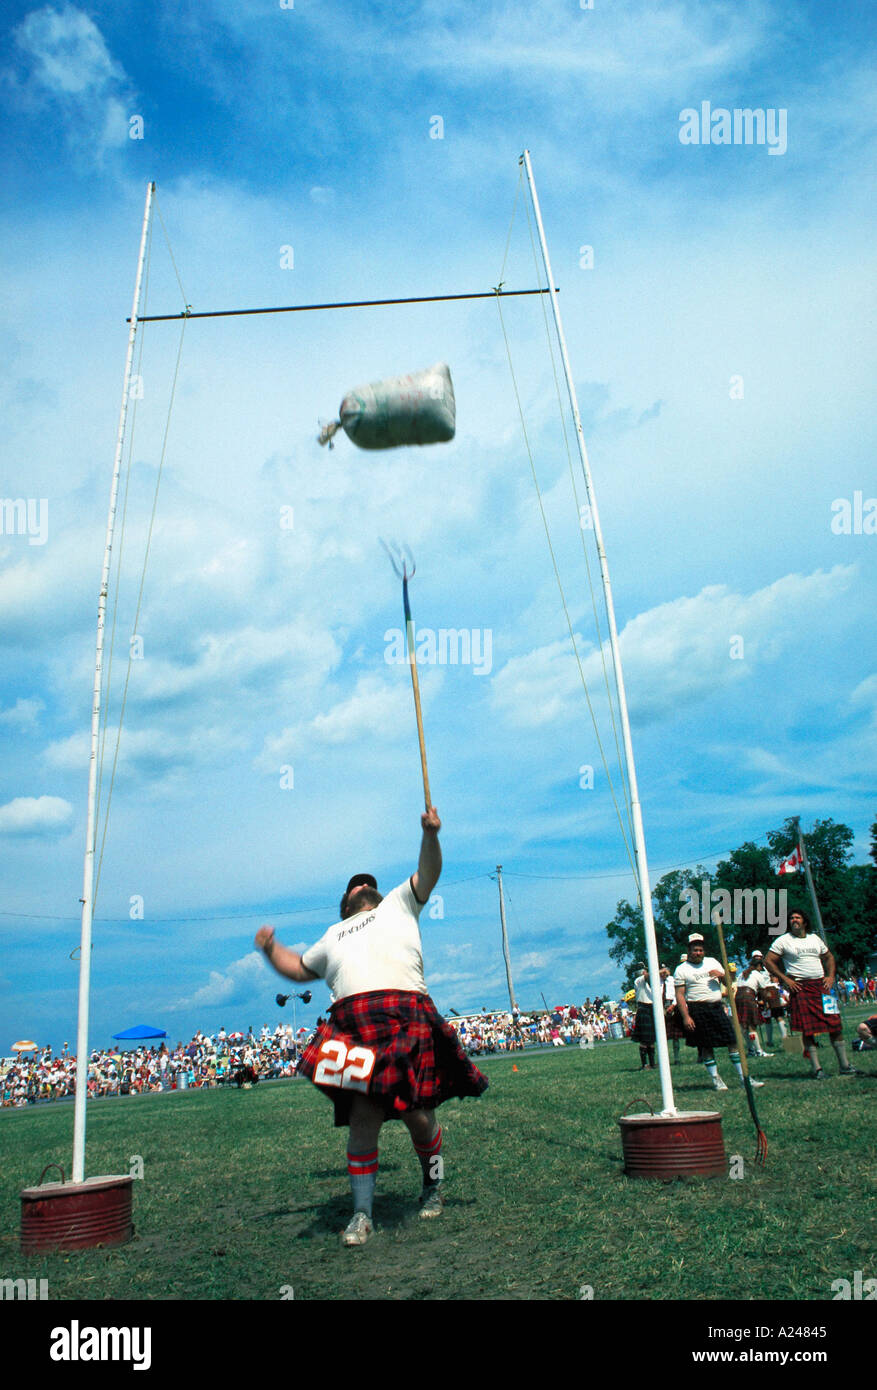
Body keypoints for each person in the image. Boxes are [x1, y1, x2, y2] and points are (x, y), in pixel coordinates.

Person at [255, 806, 488, 1248]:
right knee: (364, 1118)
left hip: (406, 1017)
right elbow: (298, 968)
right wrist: (270, 948)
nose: (362, 885)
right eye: (354, 886)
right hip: (355, 1028)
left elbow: (429, 870)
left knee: (419, 1117)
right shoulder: (333, 934)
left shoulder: (399, 904)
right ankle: (362, 1214)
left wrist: (430, 834)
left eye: (367, 883)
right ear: (345, 905)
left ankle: (433, 1184)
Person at [765, 910, 857, 1079]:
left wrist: (830, 976)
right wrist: (785, 979)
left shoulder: (814, 938)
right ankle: (817, 1069)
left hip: (821, 986)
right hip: (800, 988)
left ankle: (844, 1065)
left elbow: (828, 957)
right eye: (791, 918)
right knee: (808, 1030)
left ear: (805, 922)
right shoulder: (783, 940)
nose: (793, 920)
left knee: (835, 1024)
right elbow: (768, 960)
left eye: (797, 917)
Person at [674, 934, 765, 1092]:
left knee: (732, 1041)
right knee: (706, 1046)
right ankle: (716, 1080)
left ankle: (744, 1078)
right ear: (689, 950)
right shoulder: (681, 970)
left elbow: (729, 982)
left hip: (717, 1007)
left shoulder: (712, 962)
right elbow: (680, 995)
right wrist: (686, 1016)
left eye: (700, 950)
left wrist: (722, 975)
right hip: (698, 1010)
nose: (698, 953)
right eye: (695, 950)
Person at [734, 951, 773, 1058]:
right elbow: (763, 992)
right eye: (761, 967)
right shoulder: (758, 974)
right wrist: (765, 1002)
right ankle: (759, 1051)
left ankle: (751, 1050)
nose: (761, 969)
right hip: (748, 998)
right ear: (759, 965)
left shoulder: (742, 973)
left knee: (744, 1025)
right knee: (752, 1025)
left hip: (738, 998)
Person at [630, 963, 657, 1070]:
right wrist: (659, 971)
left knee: (651, 1039)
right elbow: (648, 976)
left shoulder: (649, 985)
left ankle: (652, 1063)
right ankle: (645, 1064)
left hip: (651, 1009)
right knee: (644, 1040)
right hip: (644, 1008)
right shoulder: (638, 981)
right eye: (645, 971)